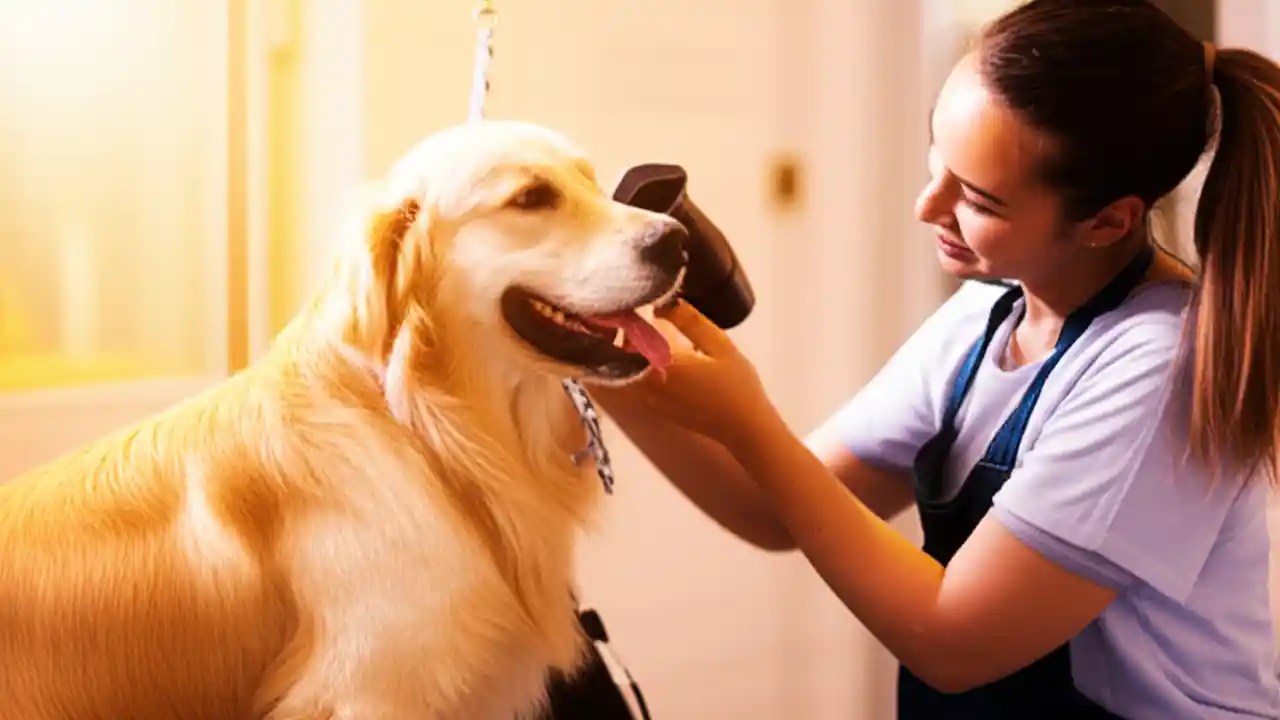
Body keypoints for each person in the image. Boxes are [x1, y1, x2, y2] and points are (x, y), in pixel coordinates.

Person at [591, 1, 1280, 717]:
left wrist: (747, 420)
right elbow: (774, 508)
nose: (927, 205)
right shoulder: (984, 317)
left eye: (977, 199)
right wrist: (595, 350)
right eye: (936, 164)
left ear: (1109, 221)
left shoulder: (1157, 369)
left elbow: (955, 643)